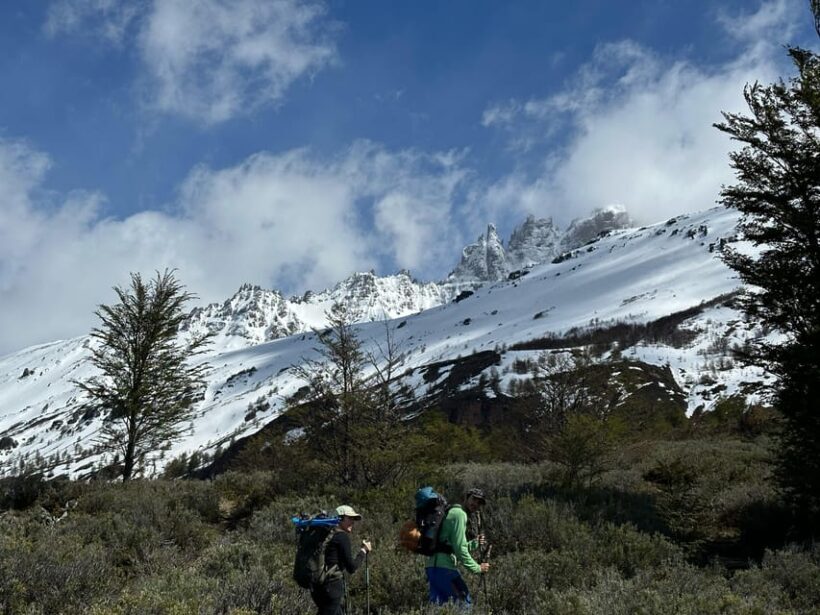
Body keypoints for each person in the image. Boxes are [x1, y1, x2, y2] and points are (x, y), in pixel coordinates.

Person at [426, 487, 490, 608]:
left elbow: (453, 545)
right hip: (444, 568)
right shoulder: (460, 514)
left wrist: (474, 543)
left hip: (432, 567)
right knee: (464, 604)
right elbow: (460, 550)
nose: (476, 504)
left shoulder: (452, 511)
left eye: (479, 502)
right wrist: (477, 568)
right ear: (466, 497)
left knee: (437, 607)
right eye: (474, 499)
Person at [310, 504, 372, 615]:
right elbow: (351, 567)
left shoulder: (326, 535)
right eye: (350, 518)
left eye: (353, 519)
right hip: (332, 587)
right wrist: (363, 551)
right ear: (339, 518)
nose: (352, 522)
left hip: (318, 588)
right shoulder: (341, 537)